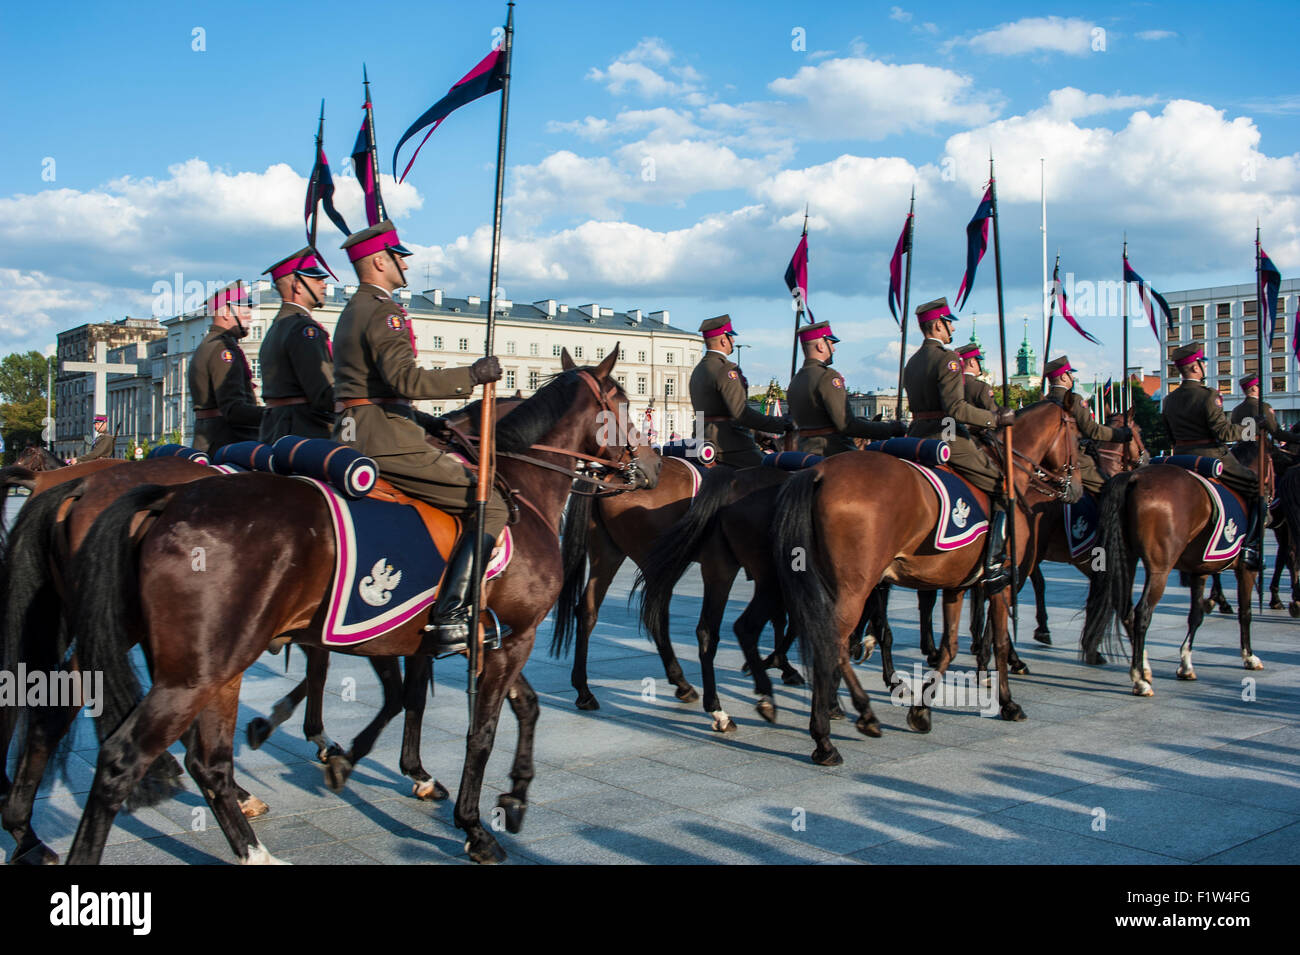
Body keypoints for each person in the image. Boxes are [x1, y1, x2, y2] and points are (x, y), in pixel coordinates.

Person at [331, 220, 505, 653]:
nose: (405, 262)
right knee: (493, 506)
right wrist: (472, 374)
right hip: (384, 440)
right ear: (378, 260)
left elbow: (375, 389)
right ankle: (452, 617)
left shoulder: (353, 309)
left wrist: (426, 422)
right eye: (397, 255)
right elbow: (404, 379)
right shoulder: (383, 311)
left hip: (357, 432)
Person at [903, 298, 1014, 590]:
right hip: (946, 435)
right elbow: (956, 410)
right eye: (949, 322)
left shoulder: (912, 361)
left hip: (914, 435)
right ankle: (992, 565)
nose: (952, 327)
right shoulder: (947, 357)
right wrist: (995, 418)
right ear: (938, 325)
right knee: (1003, 486)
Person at [1162, 343, 1262, 569]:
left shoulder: (1169, 400)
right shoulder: (1209, 396)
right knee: (1257, 487)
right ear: (1196, 367)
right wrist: (1252, 428)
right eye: (1202, 363)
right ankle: (1249, 547)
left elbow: (1169, 434)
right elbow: (1224, 433)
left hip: (1179, 458)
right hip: (1211, 457)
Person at [688, 315, 792, 467]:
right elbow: (741, 413)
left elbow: (716, 410)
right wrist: (780, 424)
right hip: (728, 444)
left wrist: (757, 433)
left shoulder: (698, 370)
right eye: (731, 337)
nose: (734, 341)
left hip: (700, 440)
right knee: (774, 472)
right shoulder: (726, 369)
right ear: (724, 340)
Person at [787, 321, 902, 455]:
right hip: (833, 451)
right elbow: (847, 424)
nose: (834, 349)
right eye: (830, 344)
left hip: (804, 451)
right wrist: (890, 429)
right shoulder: (827, 376)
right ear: (820, 346)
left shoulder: (795, 381)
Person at [258, 247, 335, 442]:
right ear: (298, 286)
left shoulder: (277, 326)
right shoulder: (304, 328)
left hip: (276, 428)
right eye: (317, 279)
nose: (324, 285)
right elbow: (323, 394)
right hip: (305, 429)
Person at [189, 281, 263, 454]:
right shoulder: (223, 348)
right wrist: (273, 414)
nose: (250, 318)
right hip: (226, 443)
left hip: (211, 440)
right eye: (244, 311)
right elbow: (234, 410)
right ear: (226, 312)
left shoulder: (209, 344)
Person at [1044, 355, 1132, 495]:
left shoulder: (1044, 402)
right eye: (1070, 374)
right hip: (1073, 459)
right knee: (1110, 489)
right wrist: (1120, 434)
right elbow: (1092, 430)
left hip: (1046, 460)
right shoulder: (1074, 400)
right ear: (1063, 377)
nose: (1072, 377)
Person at [1230, 374, 1288, 445]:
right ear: (1254, 389)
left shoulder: (1235, 410)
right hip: (1259, 449)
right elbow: (1275, 431)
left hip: (1240, 450)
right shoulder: (1263, 406)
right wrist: (1296, 438)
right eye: (1259, 386)